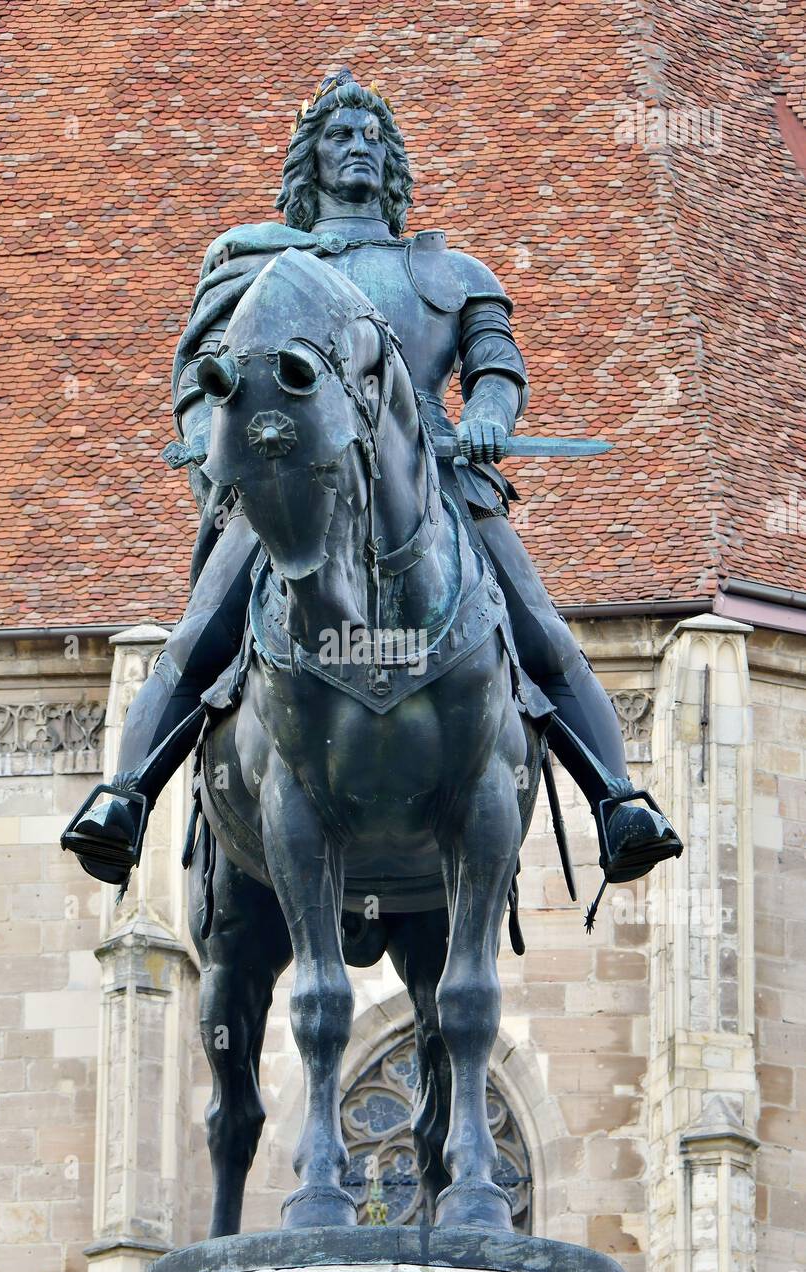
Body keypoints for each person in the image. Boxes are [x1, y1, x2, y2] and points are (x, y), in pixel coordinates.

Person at [65, 70, 679, 896]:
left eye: (372, 137)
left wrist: (491, 414)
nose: (358, 146)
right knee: (201, 629)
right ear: (309, 160)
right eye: (338, 135)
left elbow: (496, 367)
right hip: (301, 480)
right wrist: (225, 452)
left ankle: (618, 799)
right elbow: (208, 381)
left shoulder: (451, 270)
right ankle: (126, 797)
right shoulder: (261, 268)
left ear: (393, 165)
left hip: (432, 476)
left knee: (540, 629)